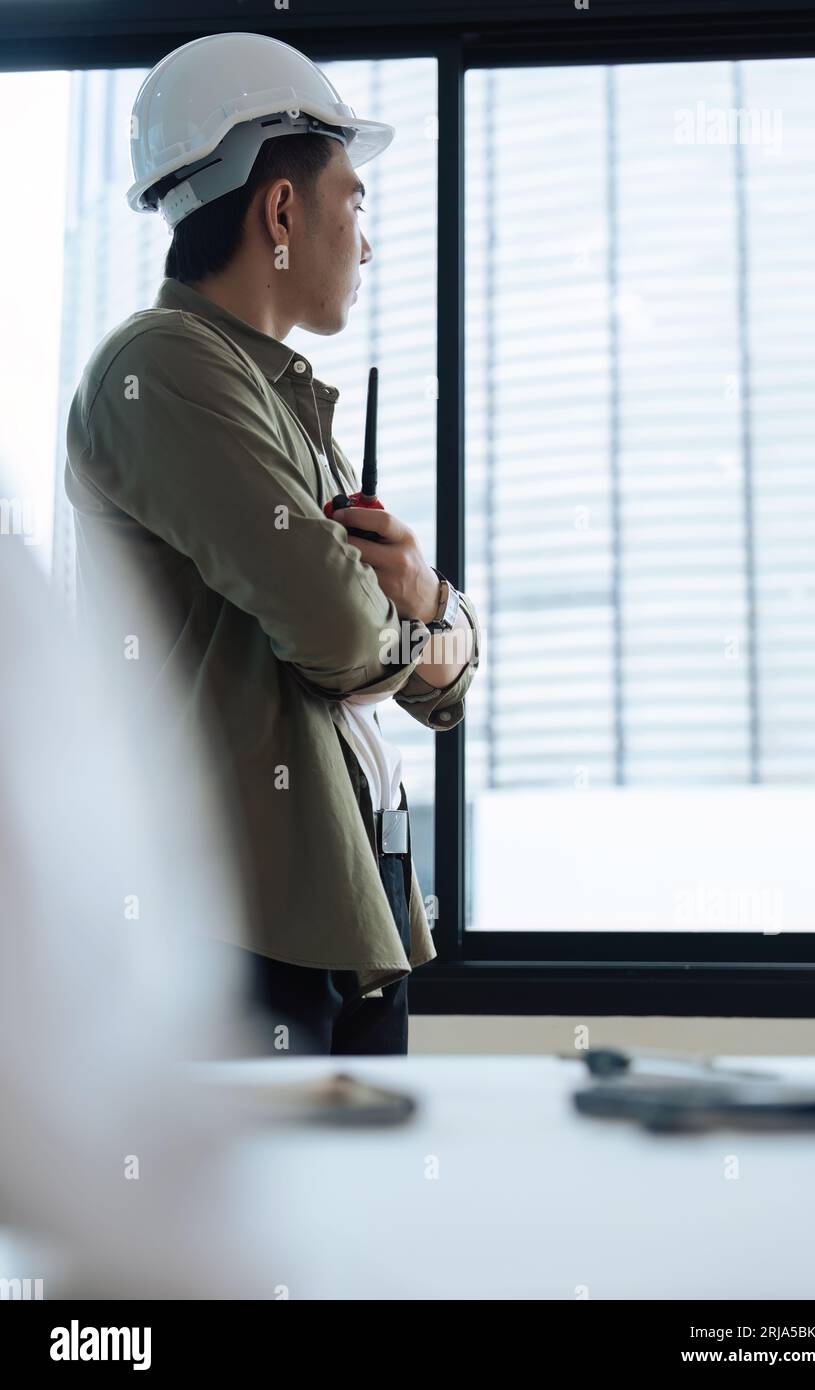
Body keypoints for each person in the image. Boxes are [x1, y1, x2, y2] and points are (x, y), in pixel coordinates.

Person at [65, 32, 481, 1056]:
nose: (366, 242)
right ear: (282, 211)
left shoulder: (276, 398)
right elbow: (341, 635)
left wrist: (424, 598)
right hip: (240, 931)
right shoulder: (166, 366)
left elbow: (442, 692)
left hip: (342, 912)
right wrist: (412, 624)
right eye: (354, 202)